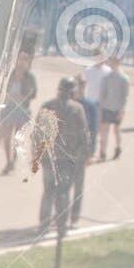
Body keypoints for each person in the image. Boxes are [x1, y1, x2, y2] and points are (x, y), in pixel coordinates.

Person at [38, 77, 90, 233]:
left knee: (48, 191)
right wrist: (84, 154)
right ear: (72, 91)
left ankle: (44, 224)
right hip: (68, 158)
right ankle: (61, 226)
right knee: (63, 192)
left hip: (49, 157)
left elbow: (37, 133)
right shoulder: (77, 108)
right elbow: (84, 135)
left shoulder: (47, 106)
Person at [0, 51, 37, 175]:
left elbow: (33, 94)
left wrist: (21, 97)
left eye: (25, 60)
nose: (22, 62)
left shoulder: (29, 77)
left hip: (22, 111)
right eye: (20, 59)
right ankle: (9, 161)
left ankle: (13, 162)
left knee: (17, 138)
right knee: (6, 136)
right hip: (9, 108)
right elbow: (4, 89)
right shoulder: (11, 73)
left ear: (28, 62)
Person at [96, 55, 129, 160]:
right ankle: (103, 152)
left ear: (118, 63)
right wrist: (100, 108)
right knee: (104, 131)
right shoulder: (106, 78)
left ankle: (118, 148)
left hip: (117, 109)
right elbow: (102, 94)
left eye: (114, 62)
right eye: (111, 62)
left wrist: (122, 110)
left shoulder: (124, 79)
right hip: (106, 107)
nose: (112, 64)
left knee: (116, 130)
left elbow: (125, 96)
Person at [79, 55, 111, 157]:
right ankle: (91, 150)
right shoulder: (88, 70)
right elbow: (83, 83)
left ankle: (103, 151)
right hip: (90, 102)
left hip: (103, 103)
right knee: (91, 127)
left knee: (103, 129)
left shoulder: (108, 71)